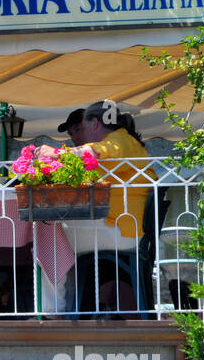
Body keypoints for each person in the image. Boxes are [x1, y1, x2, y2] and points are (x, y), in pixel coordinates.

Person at [57, 101, 152, 313]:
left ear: (95, 124)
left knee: (49, 235)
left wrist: (55, 155)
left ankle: (51, 311)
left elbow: (96, 152)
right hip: (125, 228)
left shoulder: (118, 140)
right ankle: (73, 307)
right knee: (55, 233)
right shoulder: (126, 141)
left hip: (120, 230)